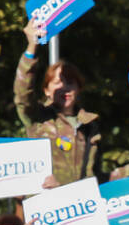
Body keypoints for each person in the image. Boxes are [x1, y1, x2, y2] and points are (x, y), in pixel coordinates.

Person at [15, 21, 100, 186]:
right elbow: (22, 94)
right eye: (57, 83)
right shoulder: (38, 117)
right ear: (46, 90)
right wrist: (32, 47)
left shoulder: (90, 125)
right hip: (45, 200)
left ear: (79, 88)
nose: (64, 87)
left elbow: (96, 178)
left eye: (70, 82)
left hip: (80, 200)